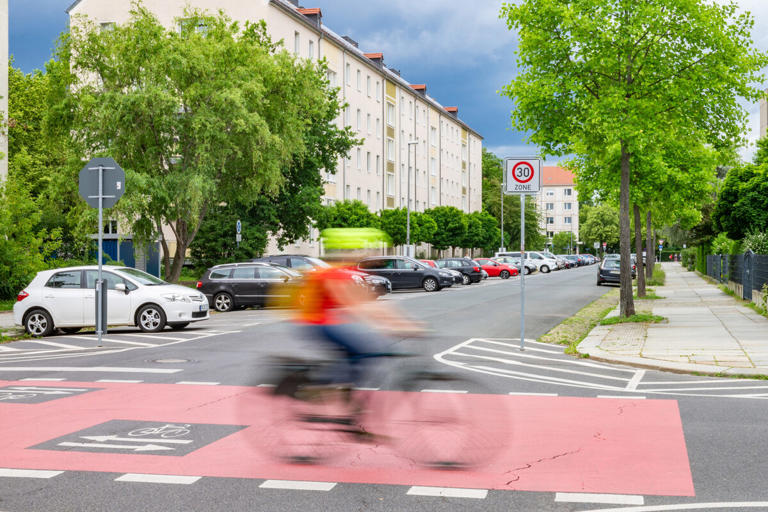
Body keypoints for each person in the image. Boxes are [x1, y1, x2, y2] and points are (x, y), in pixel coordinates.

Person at [293, 228, 423, 388]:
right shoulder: (332, 274)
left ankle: (342, 388)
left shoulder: (344, 272)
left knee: (359, 351)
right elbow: (356, 305)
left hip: (331, 322)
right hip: (318, 324)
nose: (367, 254)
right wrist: (397, 326)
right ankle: (325, 387)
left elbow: (370, 304)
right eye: (363, 249)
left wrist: (402, 323)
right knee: (365, 351)